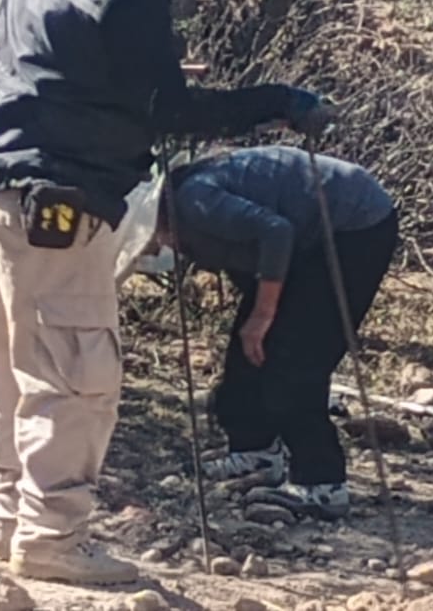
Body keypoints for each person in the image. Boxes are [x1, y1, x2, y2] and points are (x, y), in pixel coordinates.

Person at [0, 0, 332, 585]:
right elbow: (171, 111)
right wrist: (274, 101)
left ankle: (8, 523)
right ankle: (54, 537)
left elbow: (58, 61)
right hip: (54, 194)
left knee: (10, 369)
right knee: (74, 371)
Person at [151, 146, 399, 521]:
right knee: (249, 348)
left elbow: (276, 232)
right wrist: (256, 318)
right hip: (304, 240)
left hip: (353, 227)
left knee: (295, 360)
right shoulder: (187, 203)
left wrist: (264, 314)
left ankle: (323, 485)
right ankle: (256, 451)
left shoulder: (195, 199)